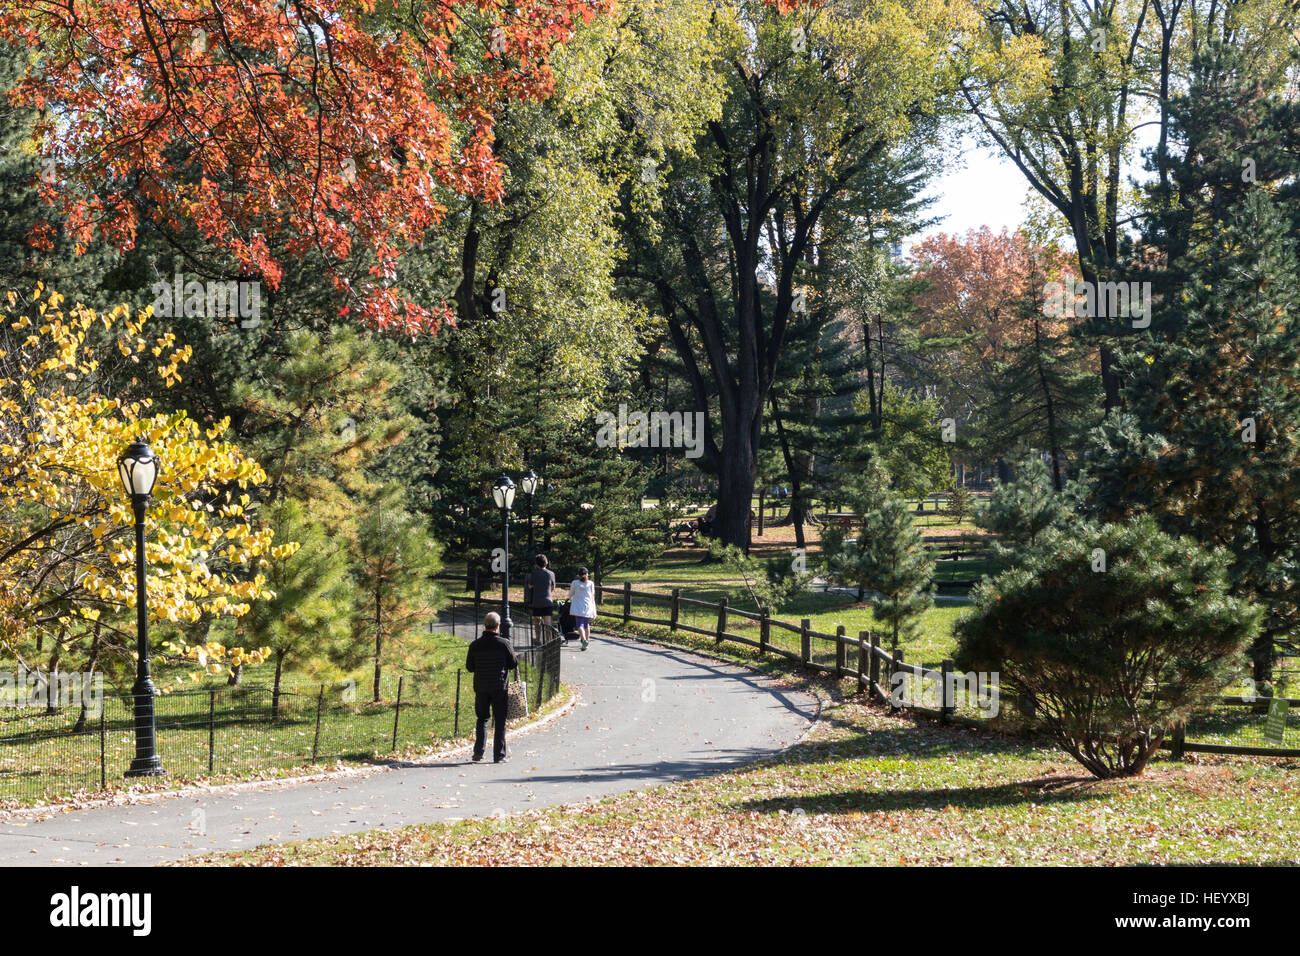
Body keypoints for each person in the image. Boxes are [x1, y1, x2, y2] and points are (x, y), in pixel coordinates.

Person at [464, 611, 518, 763]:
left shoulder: (475, 645)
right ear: (498, 625)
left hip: (481, 686)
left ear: (485, 625)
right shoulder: (504, 643)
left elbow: (469, 666)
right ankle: (499, 755)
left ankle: (478, 752)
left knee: (482, 719)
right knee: (500, 721)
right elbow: (513, 663)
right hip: (499, 686)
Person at [525, 554, 557, 640]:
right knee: (548, 622)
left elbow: (530, 586)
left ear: (536, 564)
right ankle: (548, 640)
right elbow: (553, 587)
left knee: (537, 621)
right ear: (546, 563)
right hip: (548, 600)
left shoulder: (534, 573)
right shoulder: (551, 574)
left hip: (537, 601)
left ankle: (538, 639)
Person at [568, 567, 597, 651]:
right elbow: (592, 595)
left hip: (578, 606)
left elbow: (571, 593)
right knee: (586, 624)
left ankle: (583, 640)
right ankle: (587, 641)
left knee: (579, 624)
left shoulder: (575, 583)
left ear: (578, 575)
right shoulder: (591, 583)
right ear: (587, 574)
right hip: (588, 606)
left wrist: (569, 598)